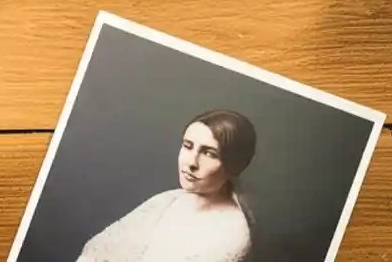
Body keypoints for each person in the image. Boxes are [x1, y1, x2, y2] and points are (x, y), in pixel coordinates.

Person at [75, 110, 258, 262]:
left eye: (209, 154)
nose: (191, 162)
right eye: (188, 146)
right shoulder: (168, 200)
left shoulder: (231, 235)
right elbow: (100, 252)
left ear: (235, 165)